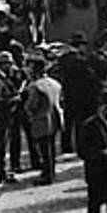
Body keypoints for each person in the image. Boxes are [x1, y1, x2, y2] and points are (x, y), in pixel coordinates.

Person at [23, 55, 63, 185]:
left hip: (41, 119)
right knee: (51, 147)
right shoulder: (55, 83)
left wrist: (27, 110)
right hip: (55, 118)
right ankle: (51, 172)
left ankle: (47, 176)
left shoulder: (36, 86)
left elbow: (32, 105)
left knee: (44, 149)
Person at [0, 49, 25, 182]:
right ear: (2, 65)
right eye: (9, 64)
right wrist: (14, 99)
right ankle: (1, 172)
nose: (11, 67)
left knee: (6, 143)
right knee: (1, 145)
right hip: (0, 118)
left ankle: (5, 170)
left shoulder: (6, 78)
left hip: (9, 117)